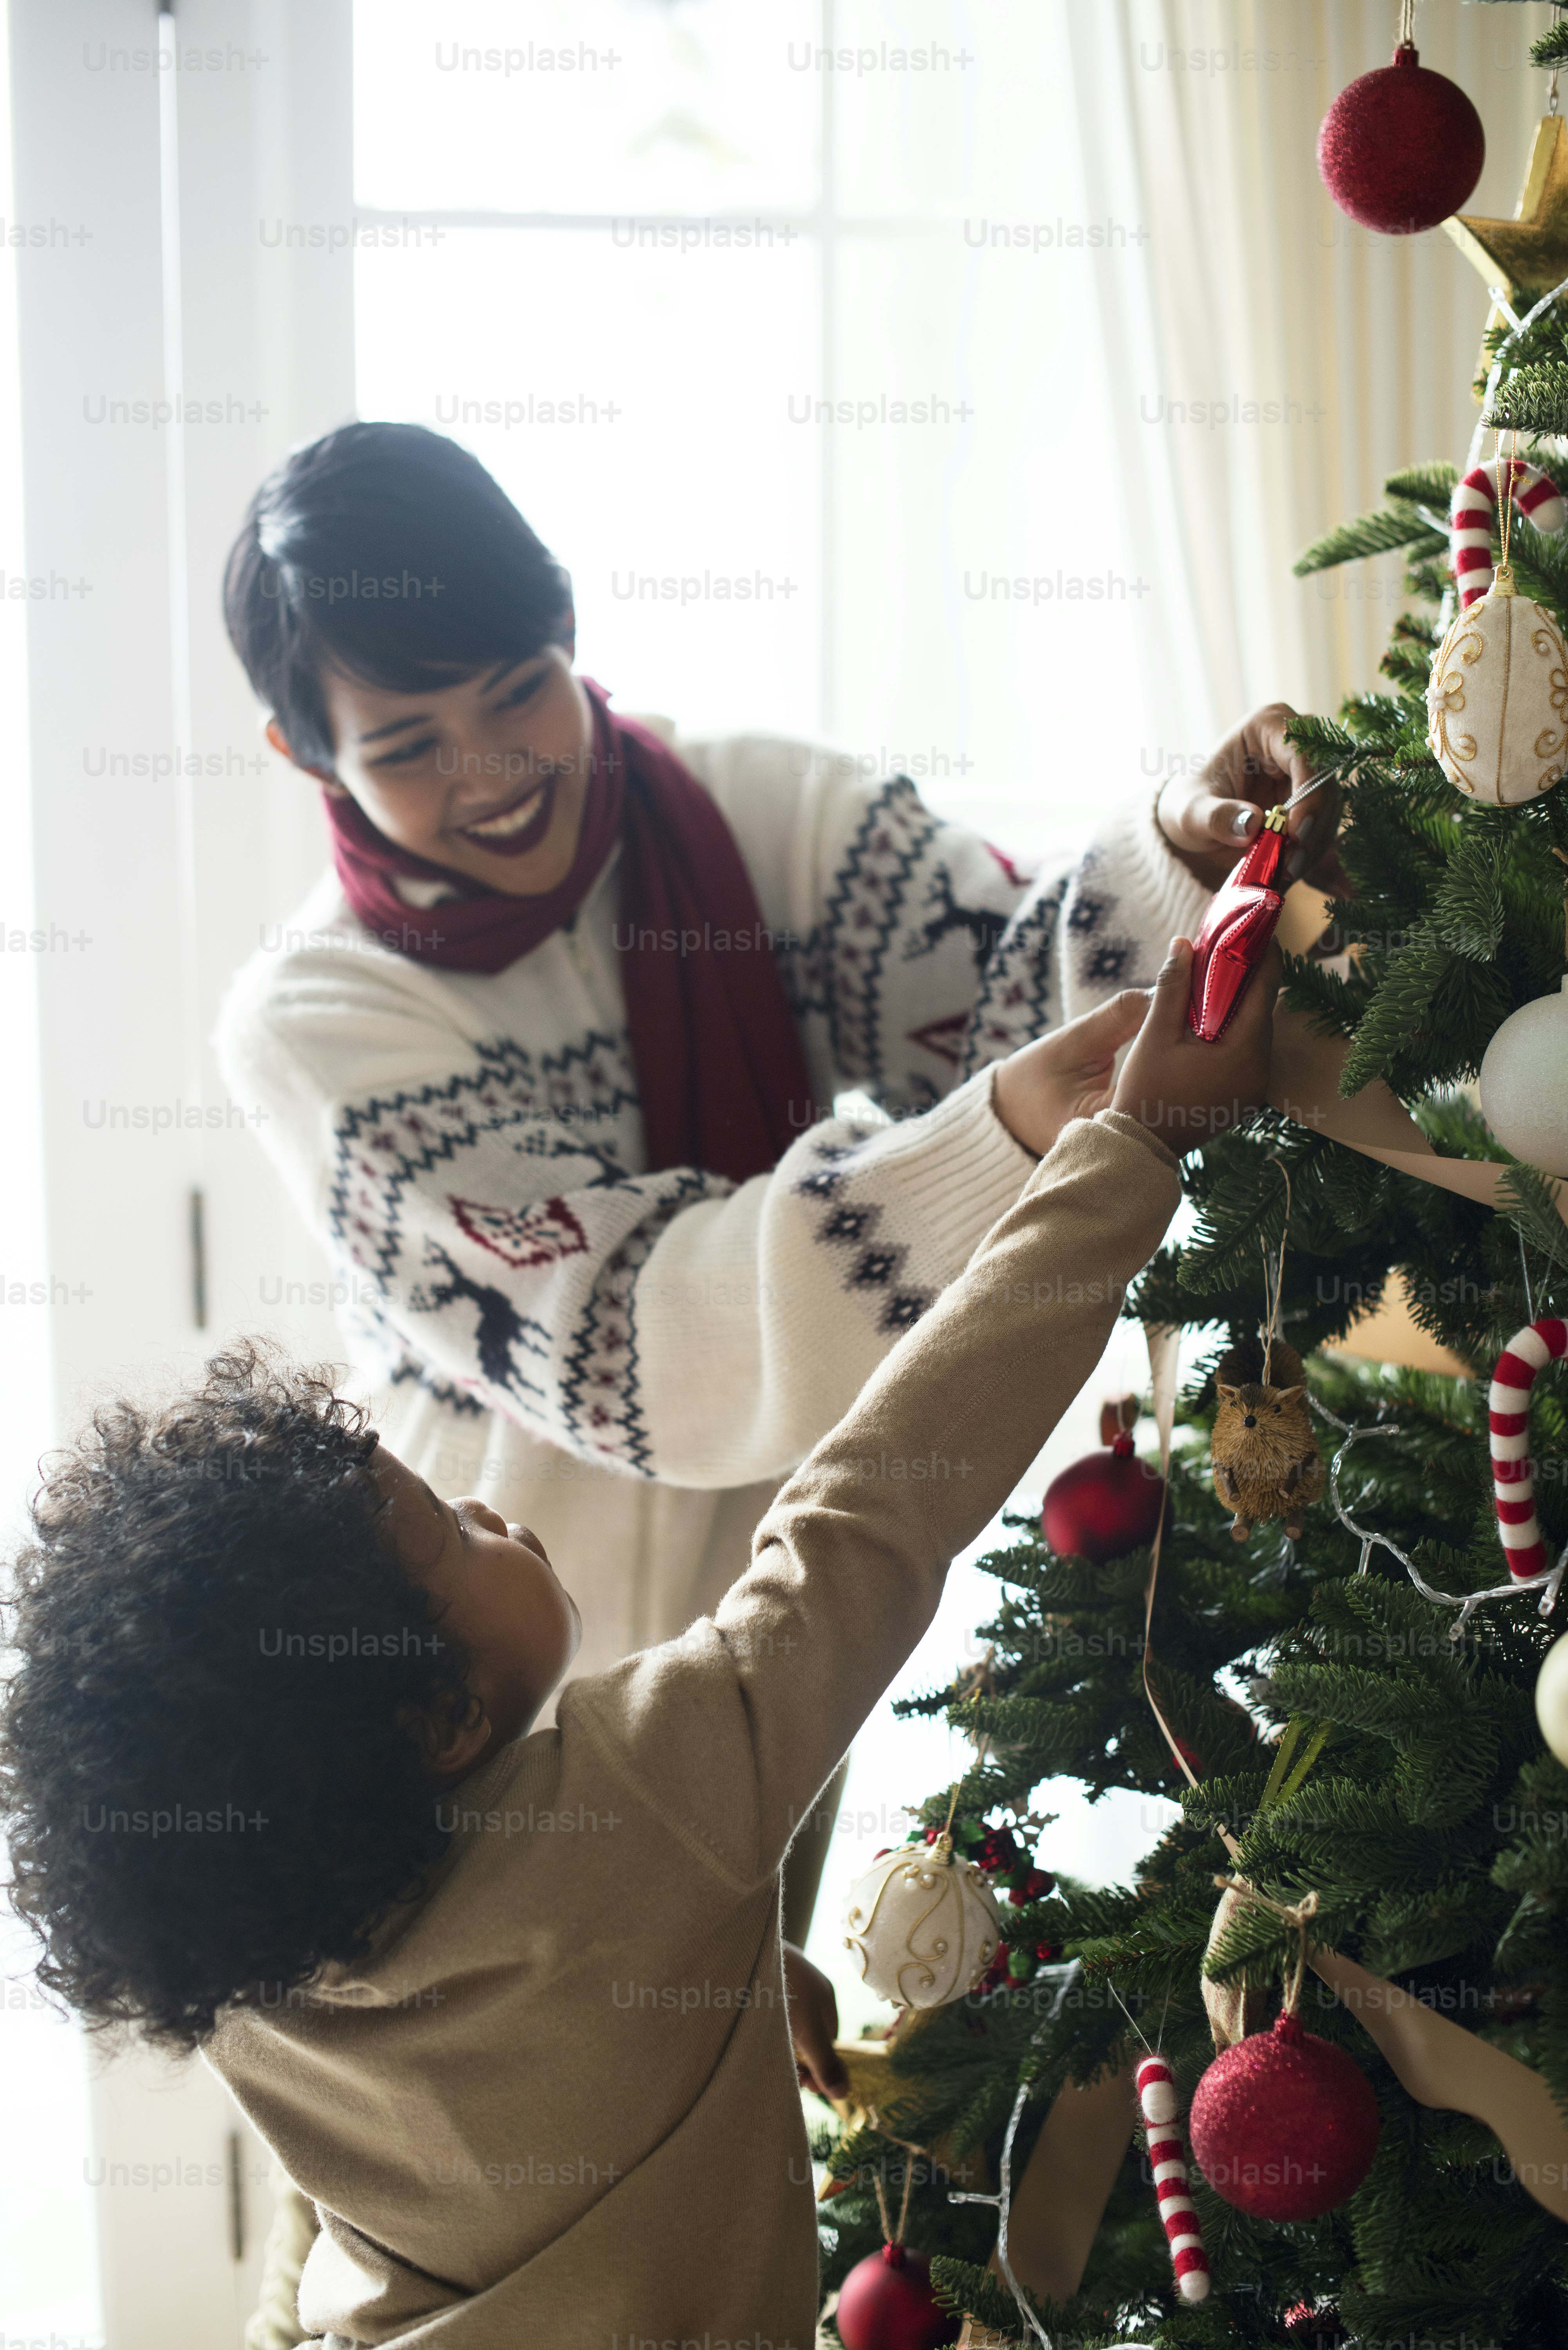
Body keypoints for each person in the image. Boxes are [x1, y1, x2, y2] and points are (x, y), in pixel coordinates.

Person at [0, 939, 1277, 2350]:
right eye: (452, 1528)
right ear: (435, 1722)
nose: (491, 1502)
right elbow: (875, 1511)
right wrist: (1132, 1149)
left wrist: (709, 1983)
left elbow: (411, 2161)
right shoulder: (645, 1798)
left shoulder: (261, 1963)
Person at [214, 421, 1338, 1888]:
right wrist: (997, 1134)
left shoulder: (760, 814)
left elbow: (995, 983)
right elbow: (642, 1349)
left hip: (788, 1623)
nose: (492, 773)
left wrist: (1171, 857)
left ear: (564, 622)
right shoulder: (320, 1020)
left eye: (518, 694)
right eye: (411, 747)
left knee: (777, 2056)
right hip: (488, 1693)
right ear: (301, 752)